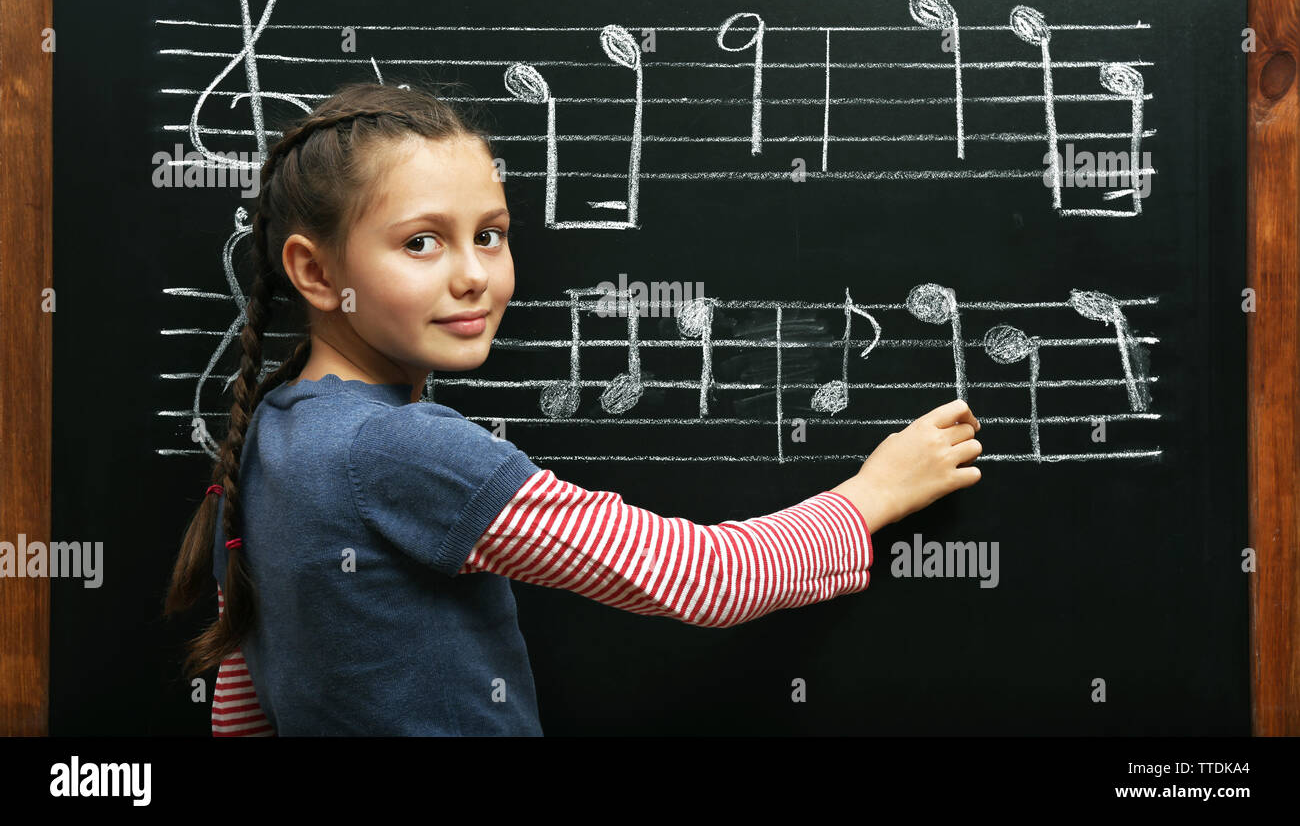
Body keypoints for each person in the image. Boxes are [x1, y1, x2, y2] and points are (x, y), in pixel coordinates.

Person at [163, 81, 983, 736]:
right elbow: (707, 579)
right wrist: (871, 496)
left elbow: (242, 691)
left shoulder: (271, 429)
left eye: (490, 233)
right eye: (422, 242)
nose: (473, 274)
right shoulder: (402, 452)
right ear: (313, 272)